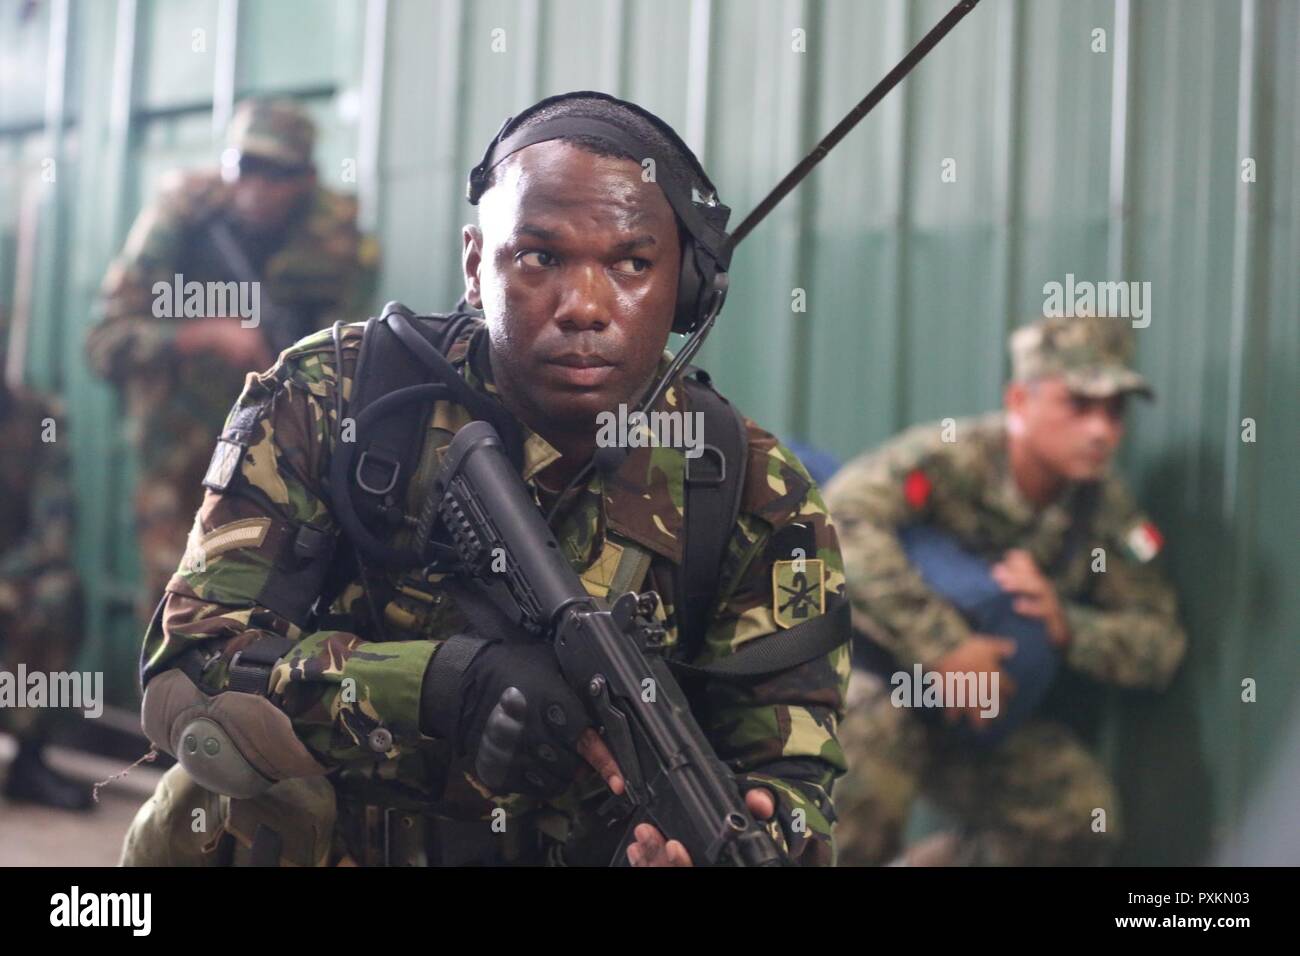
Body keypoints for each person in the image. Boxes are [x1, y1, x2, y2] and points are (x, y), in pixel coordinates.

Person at [120, 91, 850, 867]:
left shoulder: (749, 493)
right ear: (476, 265)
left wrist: (766, 833)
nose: (586, 306)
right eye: (540, 256)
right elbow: (186, 676)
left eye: (632, 263)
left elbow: (795, 782)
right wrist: (439, 687)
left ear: (687, 289)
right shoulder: (339, 397)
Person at [827, 313, 1187, 865]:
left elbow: (1159, 642)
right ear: (1020, 400)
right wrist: (946, 646)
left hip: (989, 718)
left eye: (1115, 411)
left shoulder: (1106, 513)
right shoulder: (951, 458)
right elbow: (841, 521)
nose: (1102, 430)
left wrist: (1069, 625)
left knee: (1078, 819)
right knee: (852, 827)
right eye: (1079, 404)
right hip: (886, 684)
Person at [87, 97, 378, 613]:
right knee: (172, 600)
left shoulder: (335, 239)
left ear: (307, 178)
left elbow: (348, 354)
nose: (256, 187)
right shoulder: (183, 218)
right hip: (178, 444)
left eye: (276, 173)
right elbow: (103, 345)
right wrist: (200, 336)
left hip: (284, 450)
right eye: (245, 166)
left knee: (275, 602)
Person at [0, 383, 91, 811]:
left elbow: (52, 524)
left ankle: (30, 759)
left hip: (11, 570)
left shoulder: (40, 418)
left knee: (58, 593)